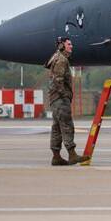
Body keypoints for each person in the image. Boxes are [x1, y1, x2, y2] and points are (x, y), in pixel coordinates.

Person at [47, 37, 86, 165]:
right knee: (67, 125)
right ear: (62, 46)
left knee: (57, 127)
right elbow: (58, 81)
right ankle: (72, 154)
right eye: (69, 44)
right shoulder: (62, 60)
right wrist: (65, 96)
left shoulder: (57, 57)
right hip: (60, 99)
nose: (72, 46)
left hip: (55, 98)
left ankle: (56, 156)